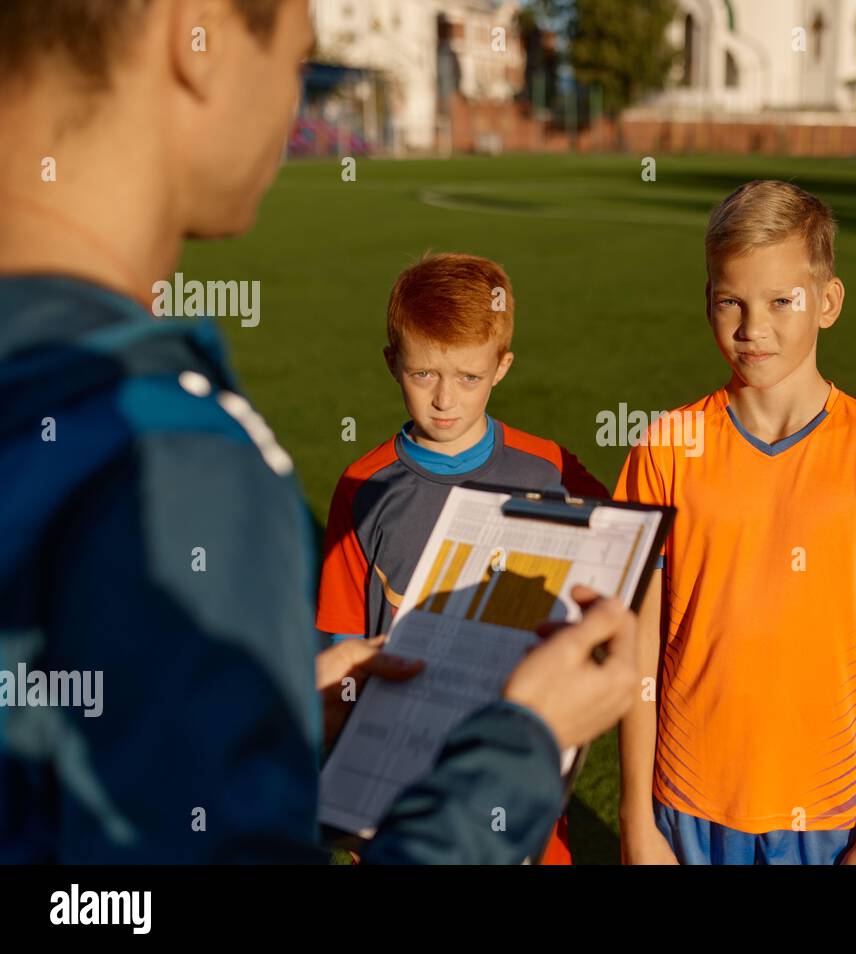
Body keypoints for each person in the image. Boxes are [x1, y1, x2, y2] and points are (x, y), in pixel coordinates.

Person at [0, 0, 636, 864]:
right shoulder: (164, 455)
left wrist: (283, 718)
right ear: (202, 37)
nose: (297, 105)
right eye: (299, 61)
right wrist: (525, 741)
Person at [615, 180, 856, 865]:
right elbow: (637, 650)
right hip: (686, 797)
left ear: (828, 302)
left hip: (826, 809)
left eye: (780, 302)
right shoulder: (665, 446)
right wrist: (636, 819)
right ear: (707, 301)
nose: (751, 328)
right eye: (729, 301)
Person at [317, 251, 609, 864]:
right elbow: (340, 638)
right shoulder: (364, 485)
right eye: (424, 374)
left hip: (521, 756)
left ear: (501, 367)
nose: (445, 399)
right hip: (398, 777)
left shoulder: (551, 468)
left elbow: (616, 563)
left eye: (469, 378)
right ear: (393, 362)